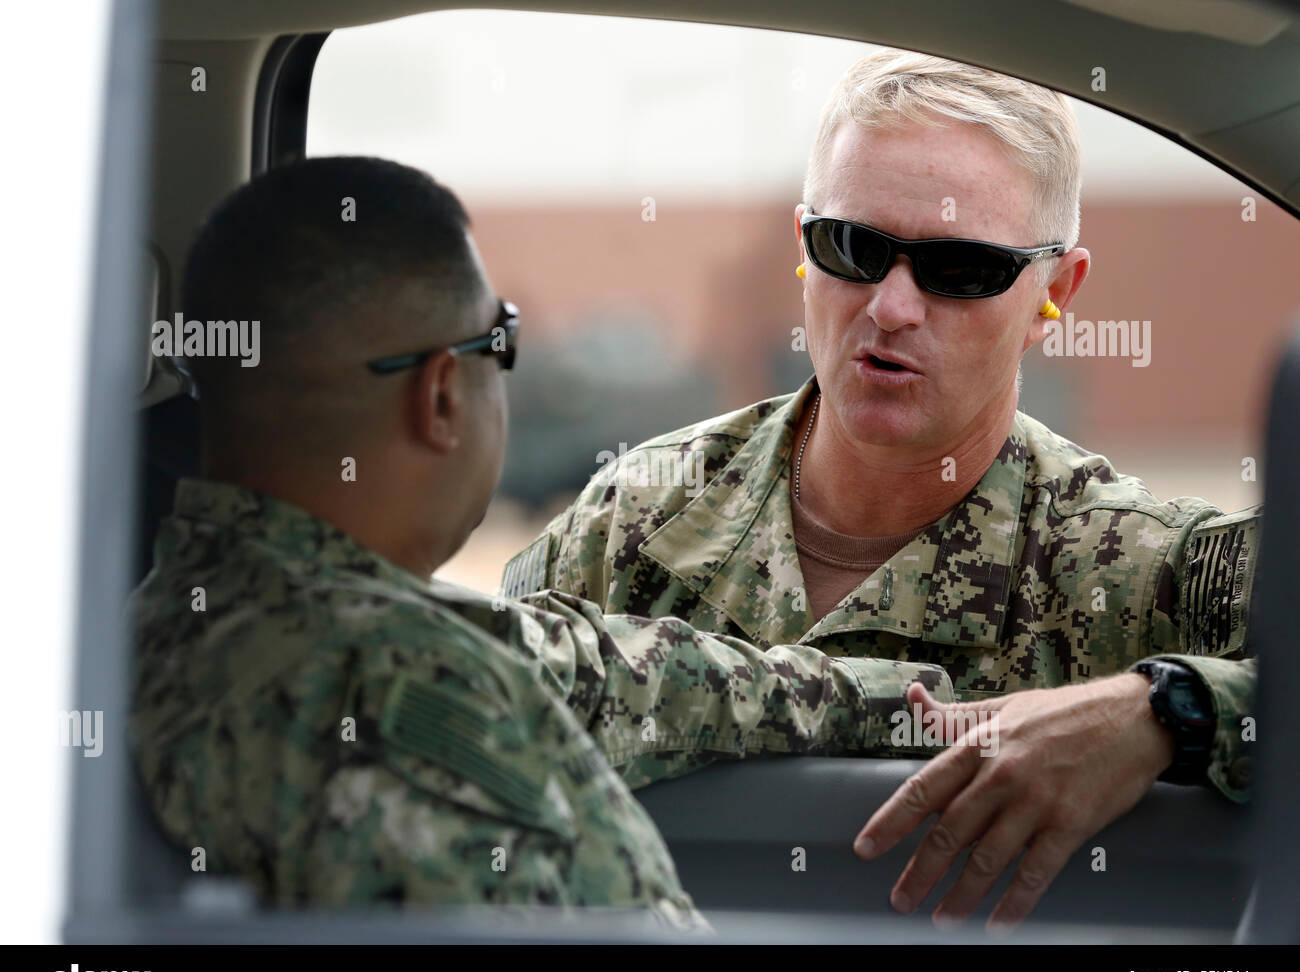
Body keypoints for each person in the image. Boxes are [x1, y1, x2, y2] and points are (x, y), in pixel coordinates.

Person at [502, 51, 1260, 932]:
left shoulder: (1134, 570)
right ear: (803, 250)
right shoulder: (635, 519)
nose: (892, 307)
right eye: (853, 248)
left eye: (962, 268)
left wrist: (1170, 709)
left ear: (1056, 291)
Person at [129, 156, 956, 932]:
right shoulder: (409, 691)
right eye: (501, 339)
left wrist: (922, 704)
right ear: (441, 393)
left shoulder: (153, 625)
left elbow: (604, 669)